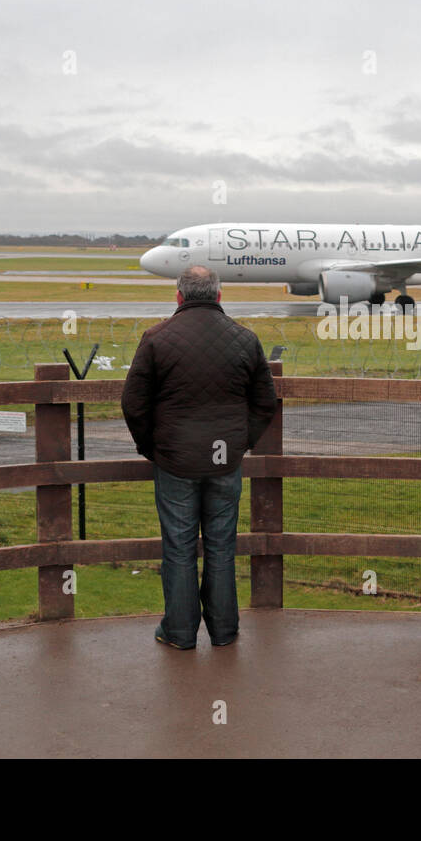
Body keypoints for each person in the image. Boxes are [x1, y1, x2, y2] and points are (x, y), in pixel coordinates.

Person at [121, 265, 278, 649]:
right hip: (225, 459)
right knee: (222, 546)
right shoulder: (245, 338)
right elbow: (265, 401)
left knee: (179, 547)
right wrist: (241, 443)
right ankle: (225, 631)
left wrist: (151, 447)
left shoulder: (156, 338)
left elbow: (133, 403)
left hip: (175, 460)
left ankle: (178, 632)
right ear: (219, 296)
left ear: (178, 296)